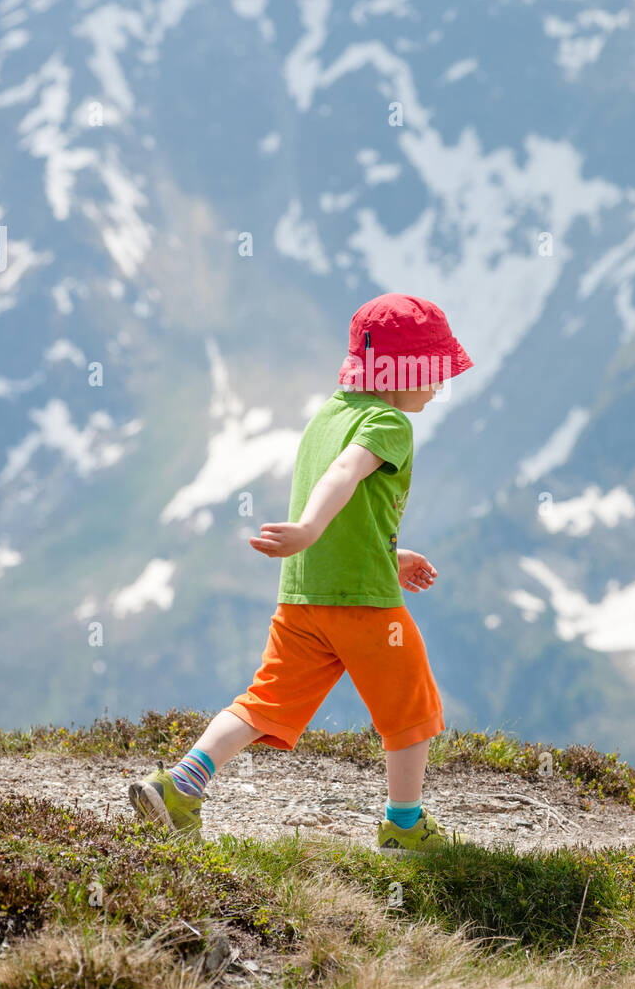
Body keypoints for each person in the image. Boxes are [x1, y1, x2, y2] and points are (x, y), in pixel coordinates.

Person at [129, 292, 473, 854]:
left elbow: (352, 506)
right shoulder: (389, 422)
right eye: (435, 371)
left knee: (263, 702)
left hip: (303, 597)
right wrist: (311, 527)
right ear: (400, 371)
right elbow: (345, 474)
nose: (440, 386)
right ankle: (404, 824)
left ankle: (180, 786)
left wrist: (390, 555)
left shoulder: (326, 416)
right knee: (412, 708)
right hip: (364, 605)